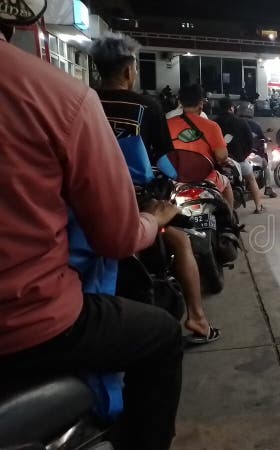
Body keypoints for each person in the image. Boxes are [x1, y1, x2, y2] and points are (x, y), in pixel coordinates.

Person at [0, 17, 183, 450]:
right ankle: (195, 314)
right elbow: (121, 231)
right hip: (29, 321)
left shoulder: (89, 97)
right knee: (162, 332)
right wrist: (158, 216)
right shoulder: (61, 97)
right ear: (130, 68)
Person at [89, 33, 218, 343]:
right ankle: (198, 319)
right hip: (135, 201)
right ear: (128, 71)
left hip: (84, 199)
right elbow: (164, 156)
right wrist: (181, 178)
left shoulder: (82, 100)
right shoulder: (146, 106)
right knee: (181, 241)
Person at [167, 84, 236, 209]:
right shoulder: (211, 126)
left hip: (176, 180)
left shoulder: (167, 124)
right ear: (201, 103)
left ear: (180, 102)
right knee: (226, 184)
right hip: (205, 179)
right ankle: (231, 223)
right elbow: (221, 156)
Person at [214, 97, 266, 213]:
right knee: (251, 179)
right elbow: (250, 142)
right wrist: (243, 155)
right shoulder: (241, 122)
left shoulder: (213, 123)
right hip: (238, 160)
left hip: (217, 161)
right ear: (232, 108)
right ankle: (258, 206)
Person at [235, 103, 278, 198]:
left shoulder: (235, 123)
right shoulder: (255, 125)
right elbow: (262, 138)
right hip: (252, 153)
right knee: (265, 165)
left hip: (236, 154)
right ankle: (268, 188)